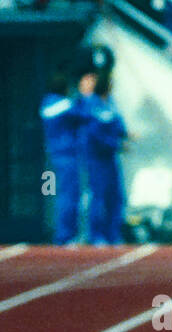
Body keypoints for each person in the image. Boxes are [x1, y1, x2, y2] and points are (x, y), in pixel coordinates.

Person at [40, 70, 91, 245]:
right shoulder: (66, 105)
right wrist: (85, 94)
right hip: (67, 156)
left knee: (56, 194)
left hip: (52, 156)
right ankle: (66, 235)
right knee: (69, 196)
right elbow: (85, 115)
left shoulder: (46, 104)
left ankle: (61, 233)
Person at [80, 69, 127, 246]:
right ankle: (96, 235)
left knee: (115, 196)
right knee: (97, 197)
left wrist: (125, 135)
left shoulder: (111, 103)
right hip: (96, 158)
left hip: (110, 158)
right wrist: (115, 143)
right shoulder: (91, 104)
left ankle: (113, 234)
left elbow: (118, 124)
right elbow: (94, 133)